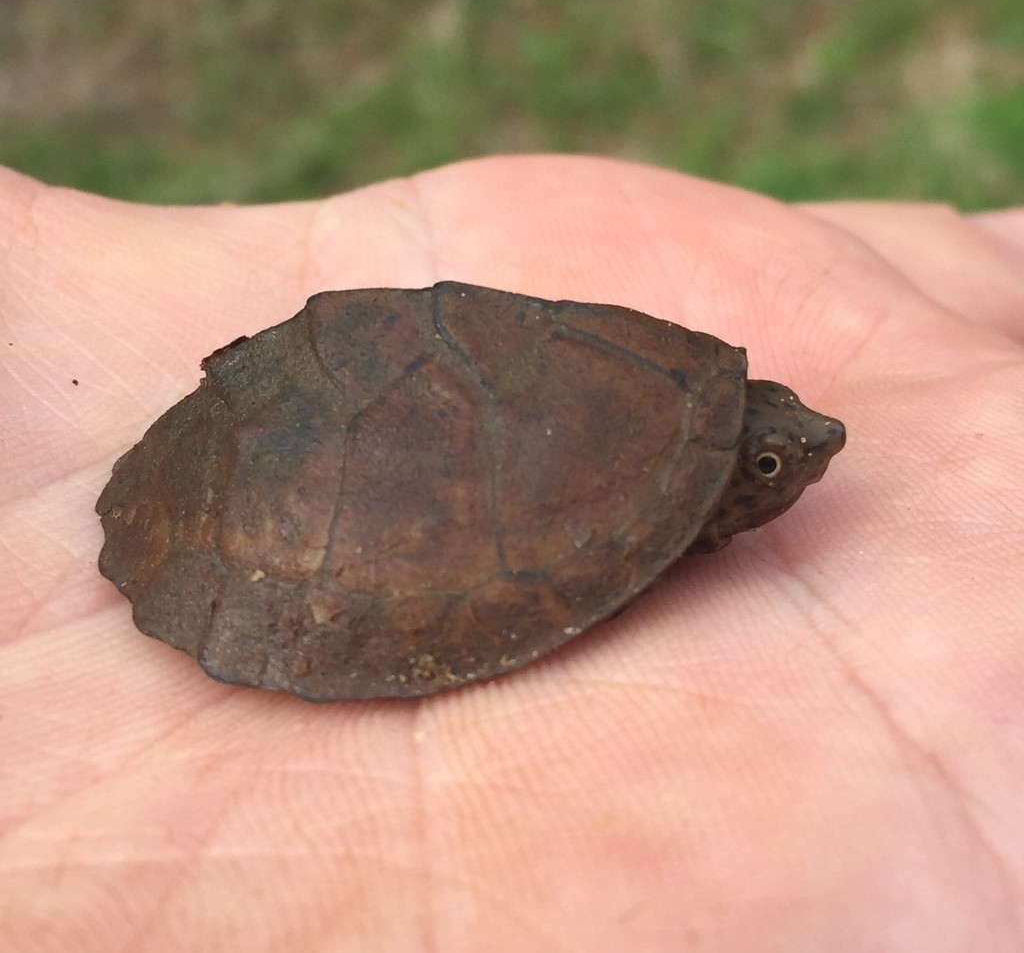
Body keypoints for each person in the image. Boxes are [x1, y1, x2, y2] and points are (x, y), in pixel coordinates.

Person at [2, 155, 1022, 951]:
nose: (810, 449)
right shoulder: (637, 470)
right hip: (259, 490)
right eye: (763, 461)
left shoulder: (652, 394)